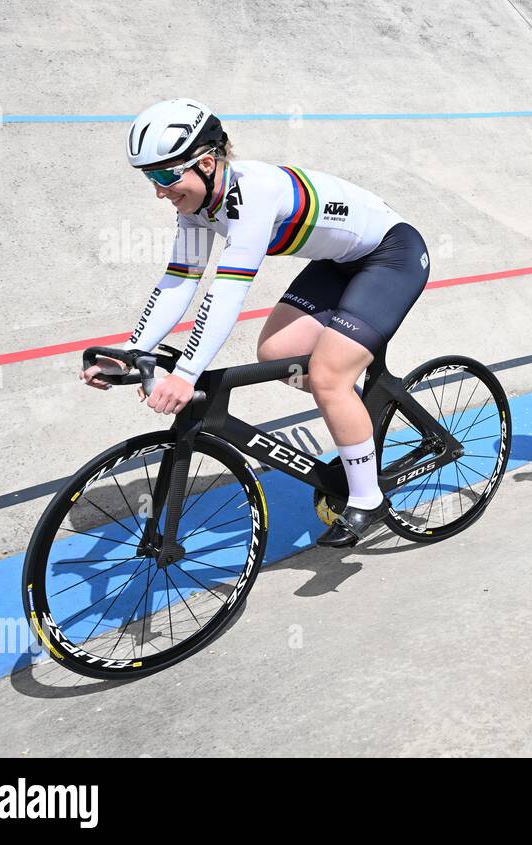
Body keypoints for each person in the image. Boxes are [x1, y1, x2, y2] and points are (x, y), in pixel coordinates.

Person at [80, 98, 431, 547]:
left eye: (166, 176)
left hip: (390, 256)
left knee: (326, 376)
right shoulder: (197, 205)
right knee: (278, 355)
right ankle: (356, 418)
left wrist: (186, 374)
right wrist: (132, 349)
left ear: (206, 163)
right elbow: (180, 279)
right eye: (150, 178)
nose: (159, 190)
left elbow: (226, 291)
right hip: (339, 262)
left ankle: (368, 498)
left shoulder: (253, 194)